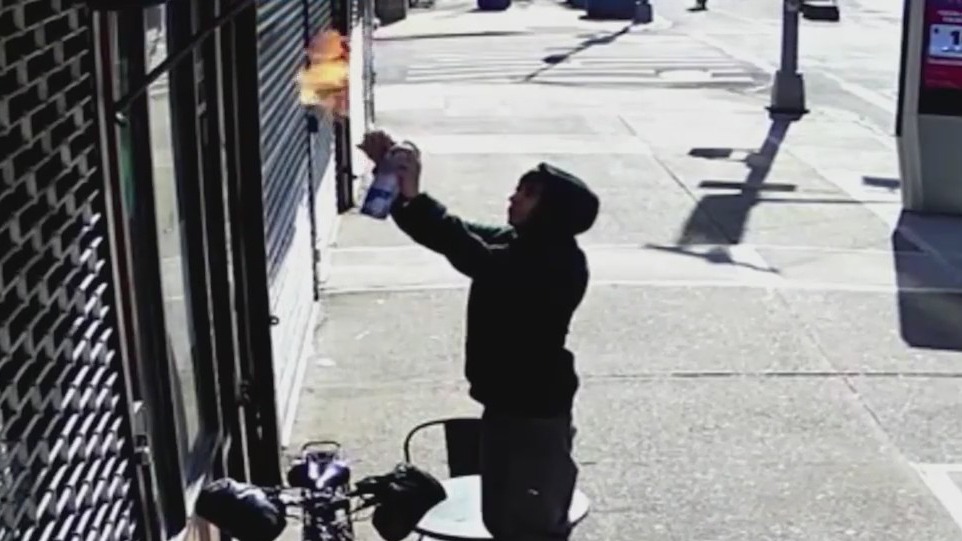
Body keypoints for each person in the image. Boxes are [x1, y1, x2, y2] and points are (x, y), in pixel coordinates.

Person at [359, 130, 600, 541]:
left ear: (552, 211)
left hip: (535, 415)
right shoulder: (520, 242)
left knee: (531, 526)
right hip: (507, 406)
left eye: (527, 194)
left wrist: (415, 196)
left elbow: (474, 256)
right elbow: (447, 234)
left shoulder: (556, 263)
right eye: (518, 189)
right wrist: (403, 189)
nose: (513, 198)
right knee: (502, 519)